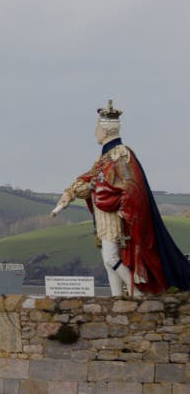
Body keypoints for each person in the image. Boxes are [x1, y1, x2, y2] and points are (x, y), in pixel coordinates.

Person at [51, 100, 190, 296]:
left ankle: (136, 295)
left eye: (97, 128)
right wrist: (68, 196)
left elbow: (130, 185)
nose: (95, 133)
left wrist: (103, 190)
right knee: (108, 260)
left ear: (105, 131)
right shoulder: (105, 158)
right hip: (103, 217)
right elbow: (89, 179)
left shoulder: (120, 155)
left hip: (114, 216)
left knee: (111, 258)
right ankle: (118, 299)